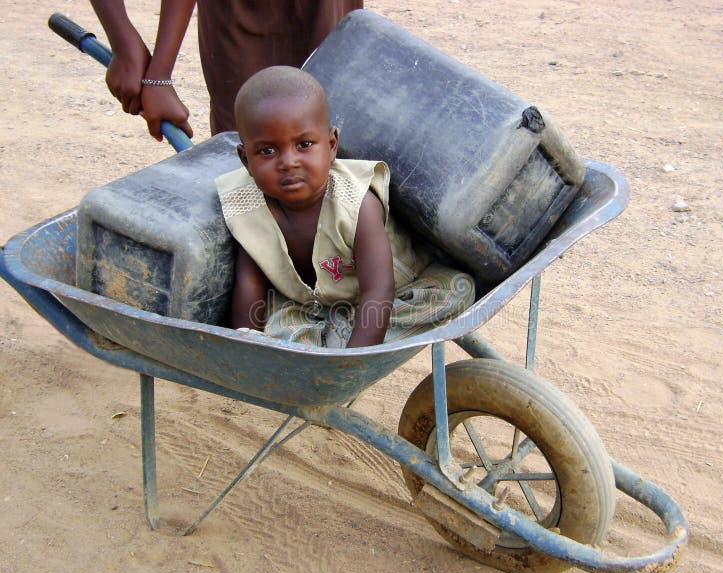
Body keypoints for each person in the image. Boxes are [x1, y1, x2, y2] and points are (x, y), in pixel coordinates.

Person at [216, 66, 474, 348]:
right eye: (267, 151)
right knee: (277, 325)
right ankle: (323, 340)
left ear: (331, 145)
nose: (288, 162)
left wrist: (351, 361)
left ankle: (338, 343)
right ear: (245, 160)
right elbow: (249, 286)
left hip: (390, 298)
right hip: (308, 306)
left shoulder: (356, 202)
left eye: (304, 144)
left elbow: (378, 290)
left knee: (455, 291)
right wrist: (246, 344)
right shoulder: (248, 208)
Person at [89, 0, 362, 139]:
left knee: (323, 121)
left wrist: (159, 75)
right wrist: (124, 43)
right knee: (251, 134)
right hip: (243, 12)